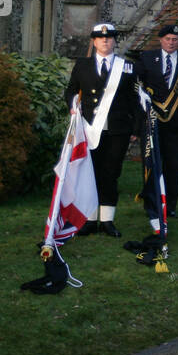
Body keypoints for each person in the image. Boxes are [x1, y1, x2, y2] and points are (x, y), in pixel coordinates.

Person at [65, 23, 144, 238]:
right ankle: (89, 220)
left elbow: (135, 100)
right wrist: (73, 107)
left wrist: (136, 128)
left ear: (115, 41)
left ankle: (107, 220)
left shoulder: (127, 67)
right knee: (89, 173)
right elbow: (72, 90)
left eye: (109, 38)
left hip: (118, 129)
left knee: (111, 173)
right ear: (94, 41)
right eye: (100, 38)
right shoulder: (82, 65)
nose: (105, 41)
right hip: (90, 129)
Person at [139, 24, 178, 218]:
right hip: (151, 122)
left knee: (173, 165)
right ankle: (151, 203)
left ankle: (170, 205)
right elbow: (137, 84)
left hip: (176, 123)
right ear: (161, 39)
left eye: (175, 40)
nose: (171, 42)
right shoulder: (146, 58)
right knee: (151, 163)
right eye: (168, 39)